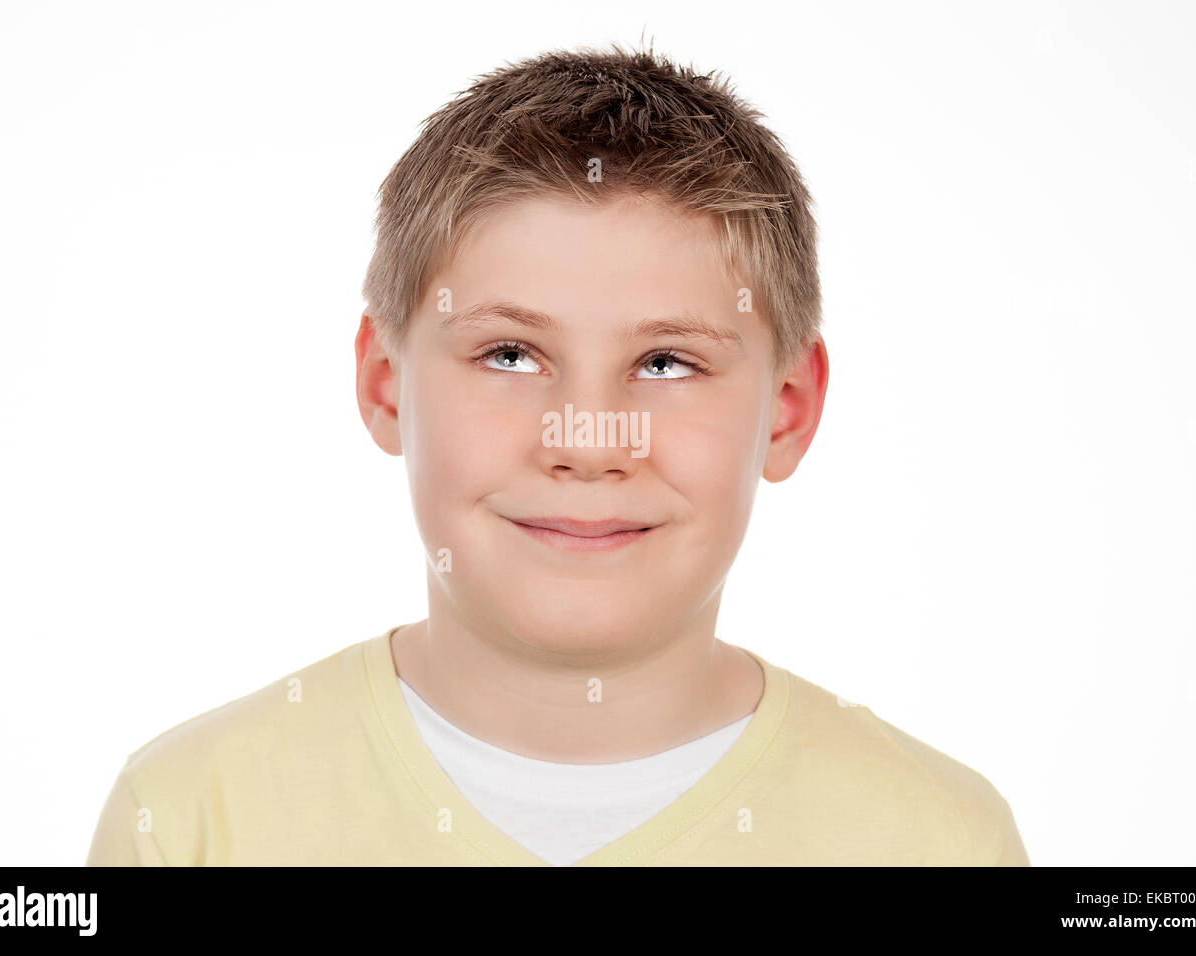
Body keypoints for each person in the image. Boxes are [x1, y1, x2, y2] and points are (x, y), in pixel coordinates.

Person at [87, 43, 1029, 866]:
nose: (587, 440)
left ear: (786, 411)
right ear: (385, 384)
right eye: (510, 354)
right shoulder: (190, 822)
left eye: (665, 362)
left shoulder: (938, 842)